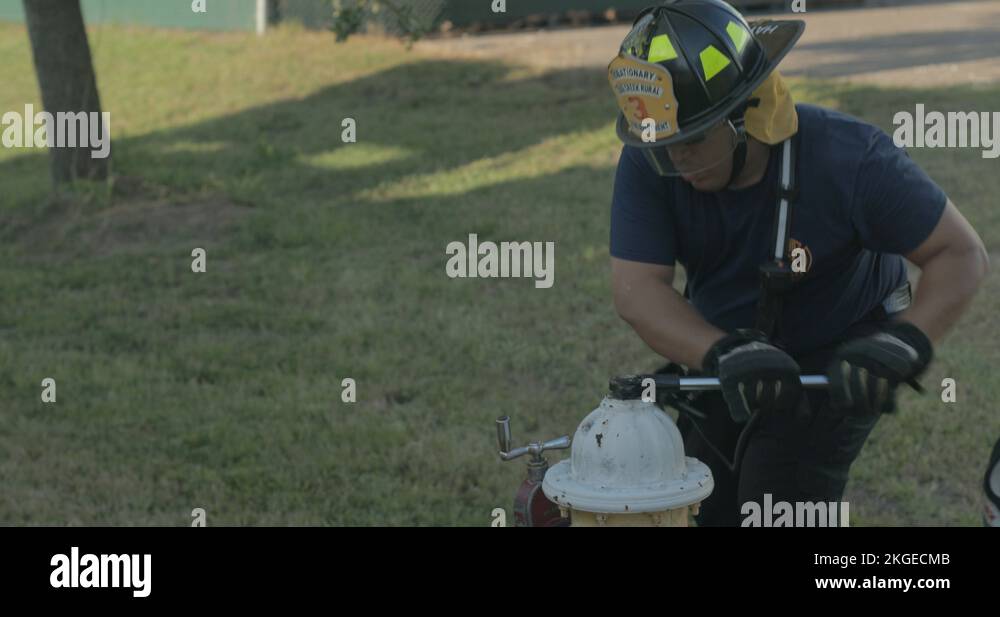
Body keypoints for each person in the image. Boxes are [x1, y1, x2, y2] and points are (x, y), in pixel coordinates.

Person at [607, 0, 989, 525]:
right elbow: (637, 289)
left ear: (745, 115)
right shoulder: (656, 151)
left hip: (840, 349)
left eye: (691, 141)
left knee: (774, 506)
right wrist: (717, 353)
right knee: (696, 499)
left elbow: (960, 252)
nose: (674, 161)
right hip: (729, 341)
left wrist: (907, 340)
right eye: (661, 146)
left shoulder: (851, 159)